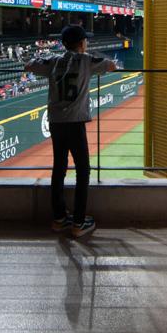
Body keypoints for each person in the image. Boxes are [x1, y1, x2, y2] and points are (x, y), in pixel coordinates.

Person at [24, 25, 117, 238]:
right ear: (82, 43)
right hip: (75, 122)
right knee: (83, 170)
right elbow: (111, 66)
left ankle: (59, 219)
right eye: (86, 41)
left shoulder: (54, 61)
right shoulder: (86, 61)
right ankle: (78, 222)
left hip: (56, 122)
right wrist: (88, 59)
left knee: (59, 168)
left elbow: (29, 65)